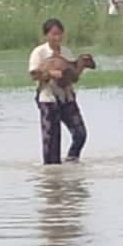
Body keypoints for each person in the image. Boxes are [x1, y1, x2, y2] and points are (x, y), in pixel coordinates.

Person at [27, 17, 89, 165]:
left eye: (60, 34)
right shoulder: (39, 52)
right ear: (46, 35)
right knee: (51, 140)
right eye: (54, 34)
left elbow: (72, 75)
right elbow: (34, 74)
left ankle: (71, 162)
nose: (57, 37)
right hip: (48, 99)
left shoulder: (66, 52)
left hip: (66, 97)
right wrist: (50, 73)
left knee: (80, 133)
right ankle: (51, 172)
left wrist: (78, 69)